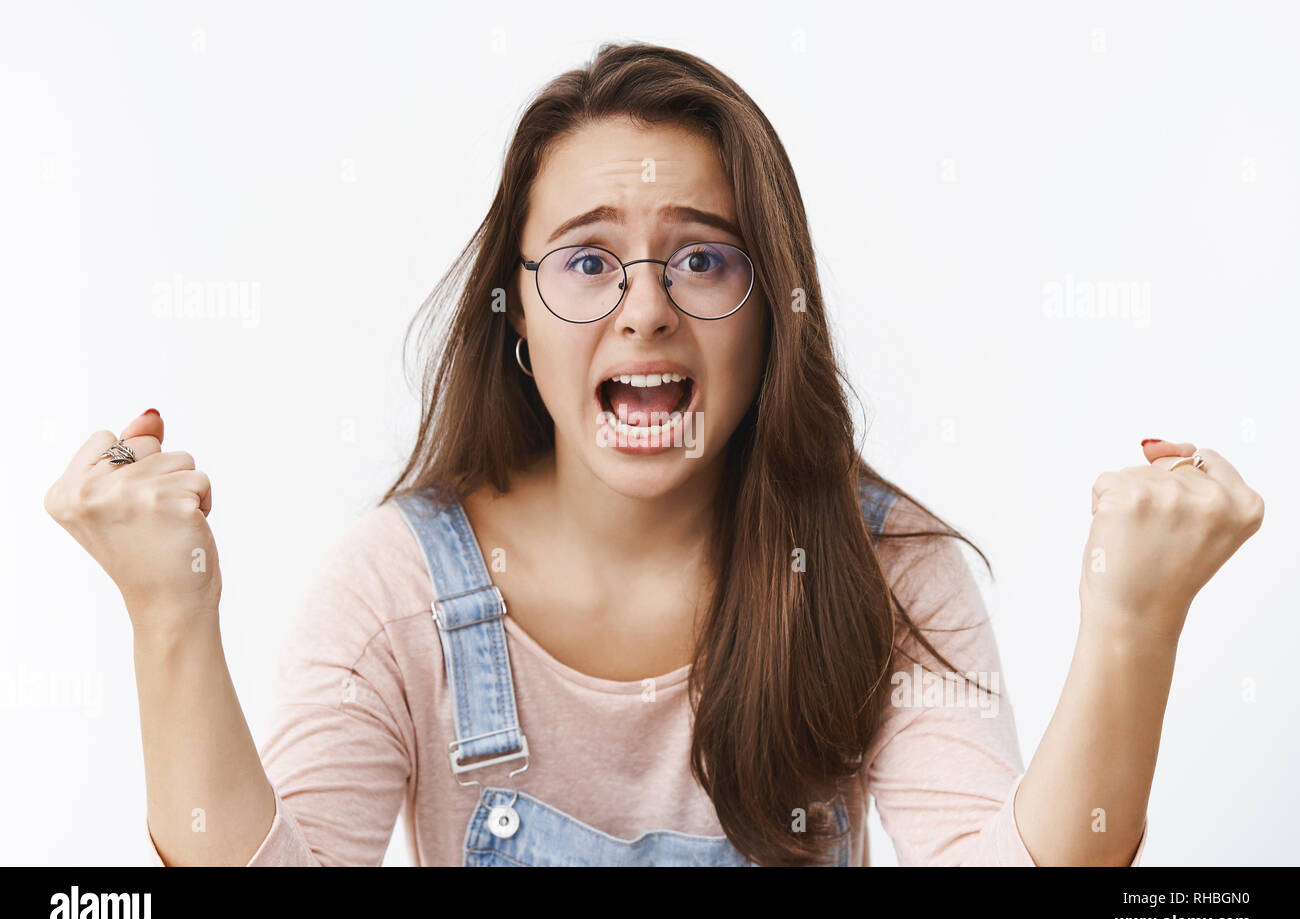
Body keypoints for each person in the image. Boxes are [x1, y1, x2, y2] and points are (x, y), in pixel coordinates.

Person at [44, 43, 1265, 866]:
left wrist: (1131, 620)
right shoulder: (393, 587)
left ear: (771, 304)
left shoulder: (876, 567)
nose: (643, 310)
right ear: (514, 316)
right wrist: (168, 608)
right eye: (584, 260)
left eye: (702, 256)